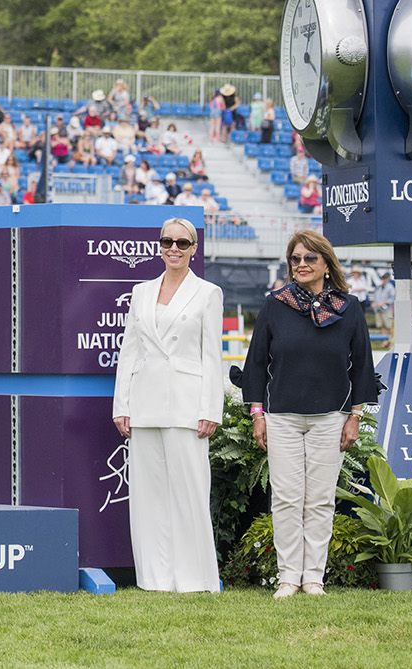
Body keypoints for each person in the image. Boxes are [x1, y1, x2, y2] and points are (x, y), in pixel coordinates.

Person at [241, 229, 375, 598]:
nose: (300, 264)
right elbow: (255, 364)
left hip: (331, 417)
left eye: (309, 259)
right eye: (295, 259)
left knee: (319, 499)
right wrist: (257, 415)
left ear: (326, 265)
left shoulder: (349, 308)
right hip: (281, 416)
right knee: (285, 498)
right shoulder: (274, 304)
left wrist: (355, 416)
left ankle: (313, 577)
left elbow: (362, 366)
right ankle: (288, 577)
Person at [111, 217, 224, 592]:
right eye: (166, 241)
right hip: (144, 403)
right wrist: (121, 404)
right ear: (159, 246)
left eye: (182, 242)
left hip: (188, 406)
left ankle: (195, 578)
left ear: (194, 248)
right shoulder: (141, 291)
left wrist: (211, 410)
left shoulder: (208, 293)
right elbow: (129, 351)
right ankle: (155, 578)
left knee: (190, 493)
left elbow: (212, 356)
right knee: (147, 496)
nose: (173, 248)